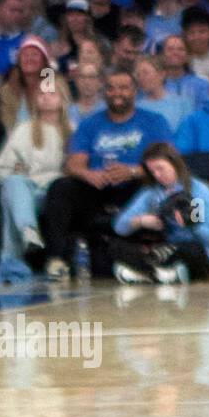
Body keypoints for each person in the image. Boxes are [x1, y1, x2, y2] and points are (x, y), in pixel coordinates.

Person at [41, 67, 172, 279]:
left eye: (123, 88)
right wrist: (89, 174)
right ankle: (57, 259)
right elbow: (73, 163)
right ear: (105, 93)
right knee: (61, 187)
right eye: (111, 88)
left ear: (135, 91)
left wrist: (132, 171)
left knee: (152, 184)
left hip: (136, 186)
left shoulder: (154, 121)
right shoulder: (90, 123)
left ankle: (150, 255)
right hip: (98, 188)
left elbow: (167, 162)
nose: (117, 93)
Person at [110, 141, 209, 284]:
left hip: (188, 250)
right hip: (162, 248)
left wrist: (193, 224)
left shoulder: (197, 191)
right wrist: (141, 221)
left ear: (174, 163)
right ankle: (161, 274)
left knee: (191, 249)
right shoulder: (152, 193)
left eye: (160, 169)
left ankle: (150, 273)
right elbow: (119, 227)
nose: (157, 175)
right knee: (117, 245)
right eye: (152, 171)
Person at [0, 87, 69, 282]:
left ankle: (11, 263)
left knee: (11, 201)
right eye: (41, 94)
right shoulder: (24, 128)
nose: (46, 98)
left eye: (52, 94)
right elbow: (3, 168)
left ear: (63, 101)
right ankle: (28, 231)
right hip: (27, 189)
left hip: (55, 192)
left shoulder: (72, 129)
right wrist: (15, 171)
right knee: (13, 184)